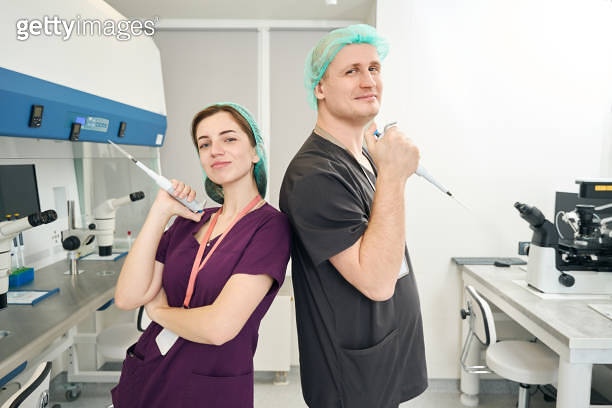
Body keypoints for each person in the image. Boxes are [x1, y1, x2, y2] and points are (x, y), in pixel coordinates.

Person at [279, 24, 428, 408]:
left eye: (374, 68)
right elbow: (377, 282)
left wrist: (386, 170)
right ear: (320, 88)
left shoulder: (364, 157)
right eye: (351, 71)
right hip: (353, 376)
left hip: (383, 352)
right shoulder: (314, 175)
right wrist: (394, 175)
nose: (369, 81)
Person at [111, 102, 291, 408]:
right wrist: (160, 212)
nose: (215, 150)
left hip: (209, 389)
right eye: (204, 144)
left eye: (229, 139)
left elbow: (218, 328)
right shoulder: (189, 220)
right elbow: (128, 297)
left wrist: (157, 312)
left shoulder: (270, 227)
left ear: (255, 152)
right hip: (149, 375)